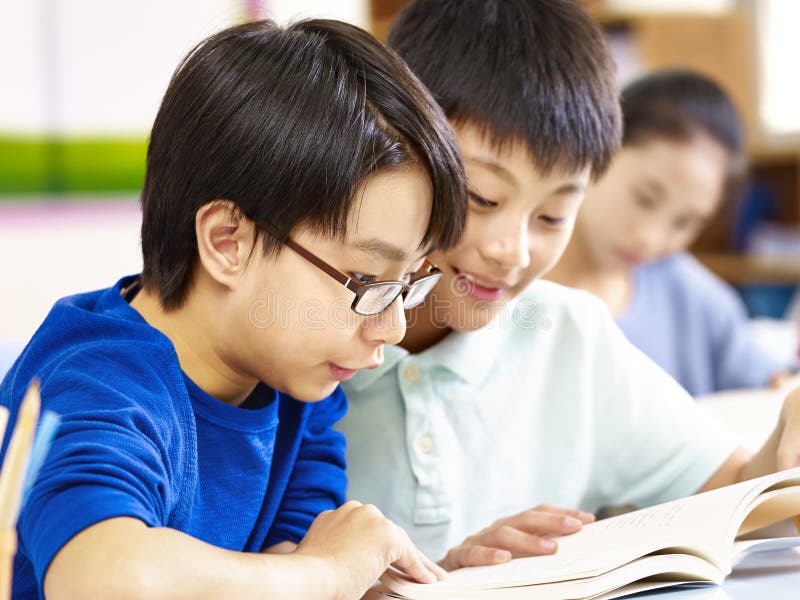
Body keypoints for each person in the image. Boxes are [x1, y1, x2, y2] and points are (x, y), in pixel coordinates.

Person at [0, 18, 468, 599]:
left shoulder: (303, 388)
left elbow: (286, 571)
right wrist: (327, 572)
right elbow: (101, 579)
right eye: (367, 280)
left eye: (407, 284)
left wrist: (458, 572)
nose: (393, 326)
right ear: (228, 241)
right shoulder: (99, 381)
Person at [338, 0, 800, 571]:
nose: (514, 250)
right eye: (482, 197)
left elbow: (736, 492)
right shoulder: (304, 345)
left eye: (553, 216)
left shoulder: (571, 339)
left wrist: (787, 427)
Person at [547, 70, 792, 395]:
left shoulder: (697, 300)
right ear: (597, 151)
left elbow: (775, 385)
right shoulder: (506, 282)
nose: (650, 238)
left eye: (686, 222)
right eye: (644, 198)